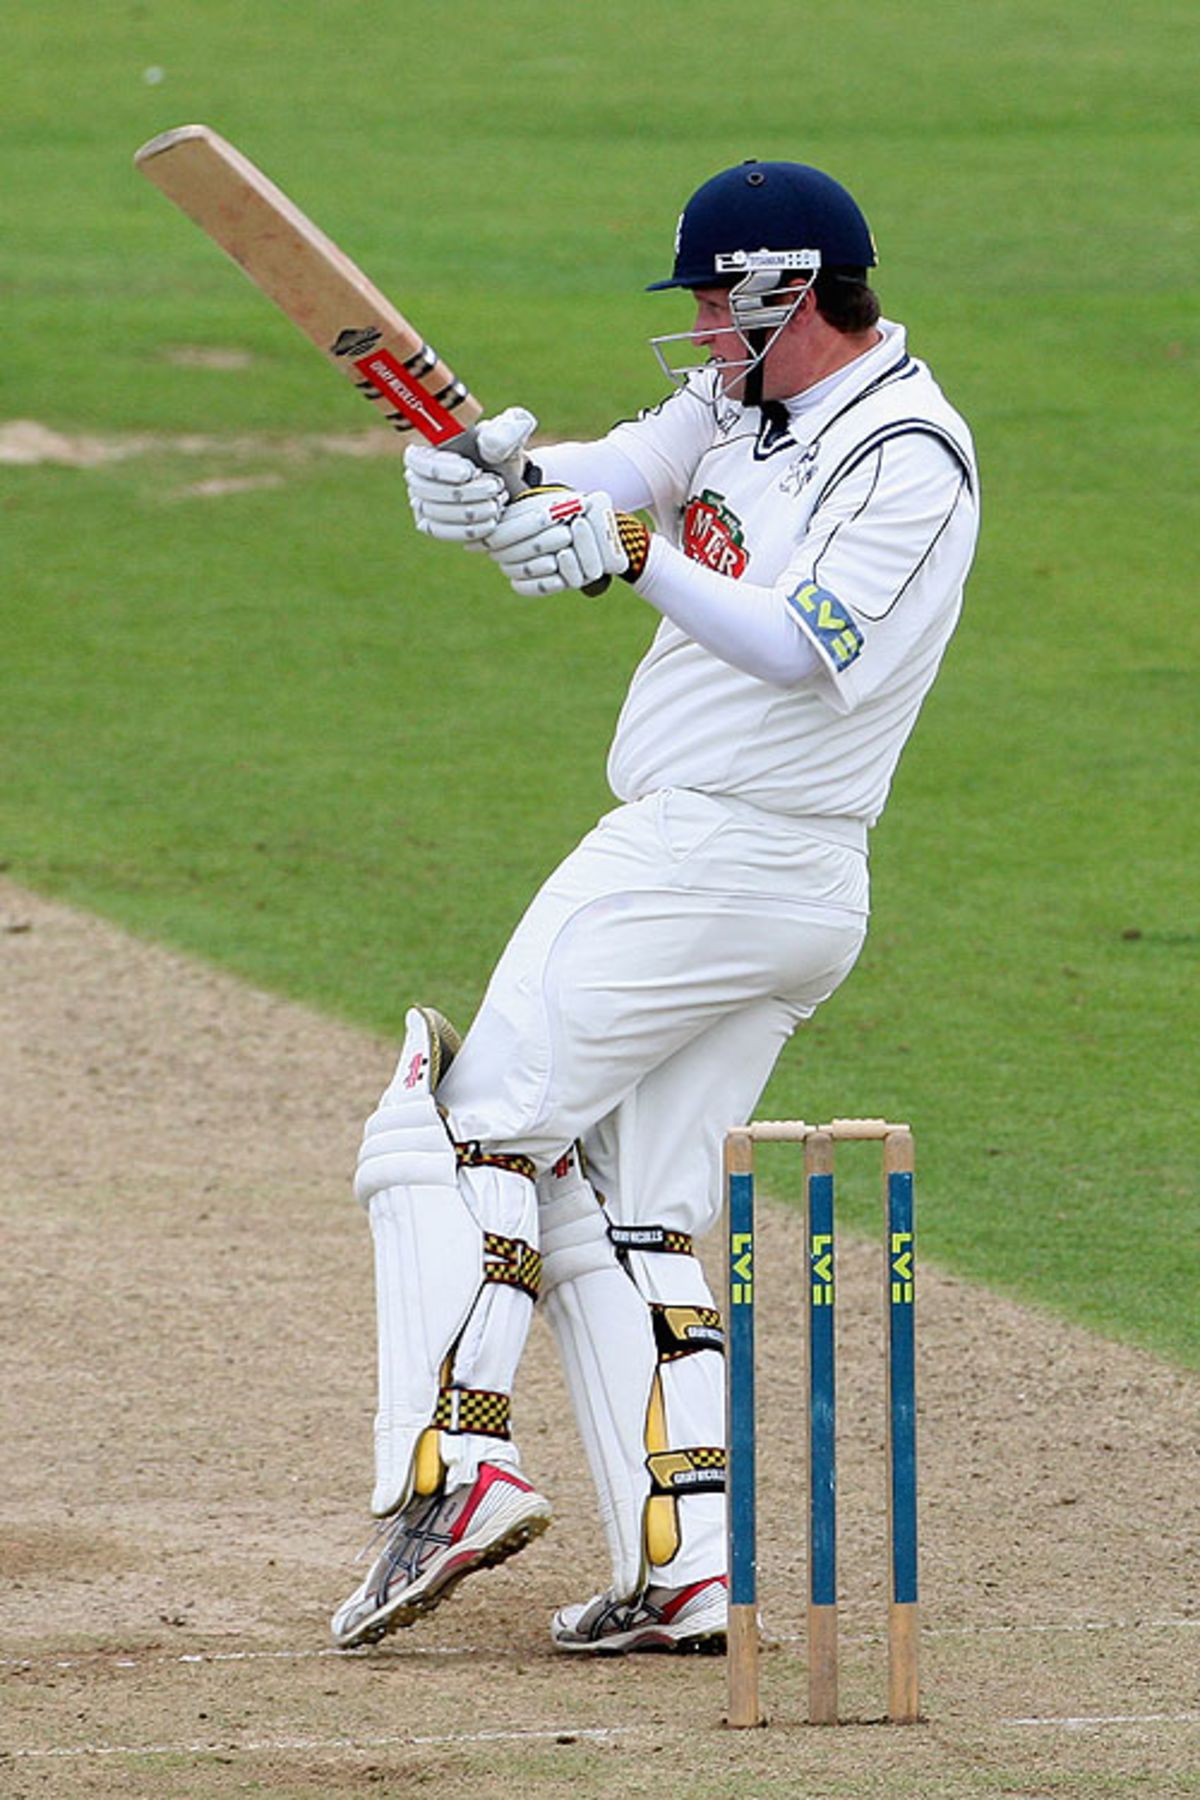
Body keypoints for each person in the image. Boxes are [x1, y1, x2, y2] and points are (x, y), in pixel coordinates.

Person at [331, 159, 978, 1655]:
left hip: (721, 856)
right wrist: (491, 476)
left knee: (457, 1121)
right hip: (776, 884)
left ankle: (458, 1466)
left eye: (711, 296)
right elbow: (607, 472)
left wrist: (635, 556)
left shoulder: (909, 457)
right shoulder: (739, 409)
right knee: (631, 1211)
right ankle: (685, 1565)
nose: (696, 324)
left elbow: (801, 644)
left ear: (784, 292)